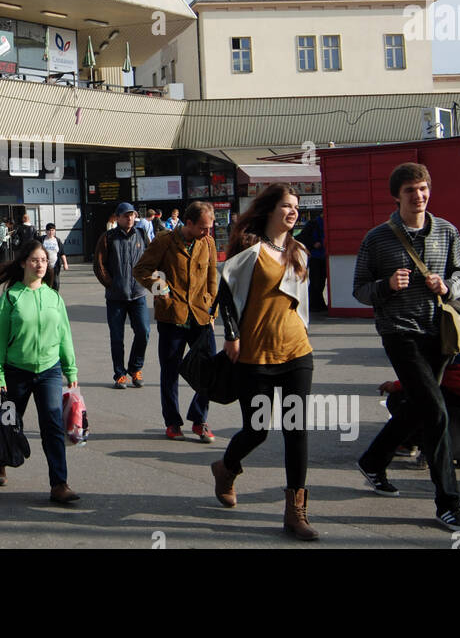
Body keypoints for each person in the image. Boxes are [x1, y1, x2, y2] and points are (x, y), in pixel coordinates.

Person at [353, 162, 460, 534]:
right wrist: (387, 285)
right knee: (436, 412)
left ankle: (373, 461)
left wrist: (448, 288)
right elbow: (359, 289)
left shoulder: (447, 232)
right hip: (399, 333)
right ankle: (449, 503)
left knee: (416, 407)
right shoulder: (377, 238)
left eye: (423, 189)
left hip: (438, 333)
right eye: (410, 190)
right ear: (397, 195)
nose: (419, 196)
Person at [212, 183, 318, 540]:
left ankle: (295, 512)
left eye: (296, 207)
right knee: (257, 429)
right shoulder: (250, 249)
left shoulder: (298, 251)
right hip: (255, 354)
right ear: (270, 209)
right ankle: (226, 468)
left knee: (296, 429)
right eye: (286, 205)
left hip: (296, 352)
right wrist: (231, 334)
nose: (293, 212)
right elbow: (224, 291)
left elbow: (302, 300)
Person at [0, 239, 80, 503]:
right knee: (9, 422)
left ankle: (59, 484)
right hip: (16, 371)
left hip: (49, 370)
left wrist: (70, 369)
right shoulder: (12, 297)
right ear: (24, 262)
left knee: (52, 425)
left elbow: (64, 335)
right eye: (35, 260)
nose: (40, 265)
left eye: (44, 260)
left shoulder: (53, 296)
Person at [133, 199, 219, 443]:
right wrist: (162, 290)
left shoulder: (209, 243)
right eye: (203, 227)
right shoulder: (164, 241)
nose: (207, 232)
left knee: (210, 369)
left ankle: (199, 418)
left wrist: (212, 311)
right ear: (188, 223)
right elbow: (141, 270)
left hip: (201, 315)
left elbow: (213, 279)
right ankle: (172, 422)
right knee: (170, 371)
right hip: (172, 316)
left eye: (209, 227)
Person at [94, 201, 150, 389]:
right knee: (117, 337)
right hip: (116, 297)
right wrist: (111, 284)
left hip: (138, 294)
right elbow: (99, 265)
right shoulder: (108, 237)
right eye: (126, 215)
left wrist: (155, 286)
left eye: (132, 215)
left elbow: (151, 260)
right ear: (117, 218)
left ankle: (135, 368)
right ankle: (120, 374)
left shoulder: (142, 235)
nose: (130, 218)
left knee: (144, 332)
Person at [298, 211, 328, 312]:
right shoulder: (313, 224)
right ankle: (314, 304)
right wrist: (313, 244)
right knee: (317, 281)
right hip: (316, 257)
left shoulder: (319, 223)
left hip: (322, 256)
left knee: (320, 282)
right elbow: (302, 238)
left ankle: (317, 304)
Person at [41, 222, 68, 292]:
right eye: (49, 230)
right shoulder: (42, 240)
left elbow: (62, 253)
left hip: (55, 266)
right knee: (44, 282)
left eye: (53, 230)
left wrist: (65, 263)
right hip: (44, 266)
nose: (51, 232)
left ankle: (55, 296)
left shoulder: (57, 241)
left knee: (56, 283)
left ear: (55, 231)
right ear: (46, 231)